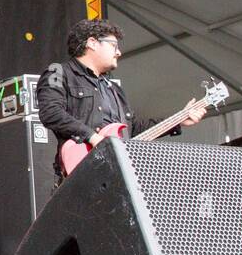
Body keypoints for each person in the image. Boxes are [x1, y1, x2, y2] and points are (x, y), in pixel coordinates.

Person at [36, 19, 204, 184]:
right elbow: (51, 112)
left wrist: (179, 121)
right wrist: (93, 137)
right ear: (92, 43)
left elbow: (133, 130)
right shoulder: (57, 71)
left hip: (115, 174)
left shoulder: (114, 89)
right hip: (82, 172)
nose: (119, 52)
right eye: (113, 45)